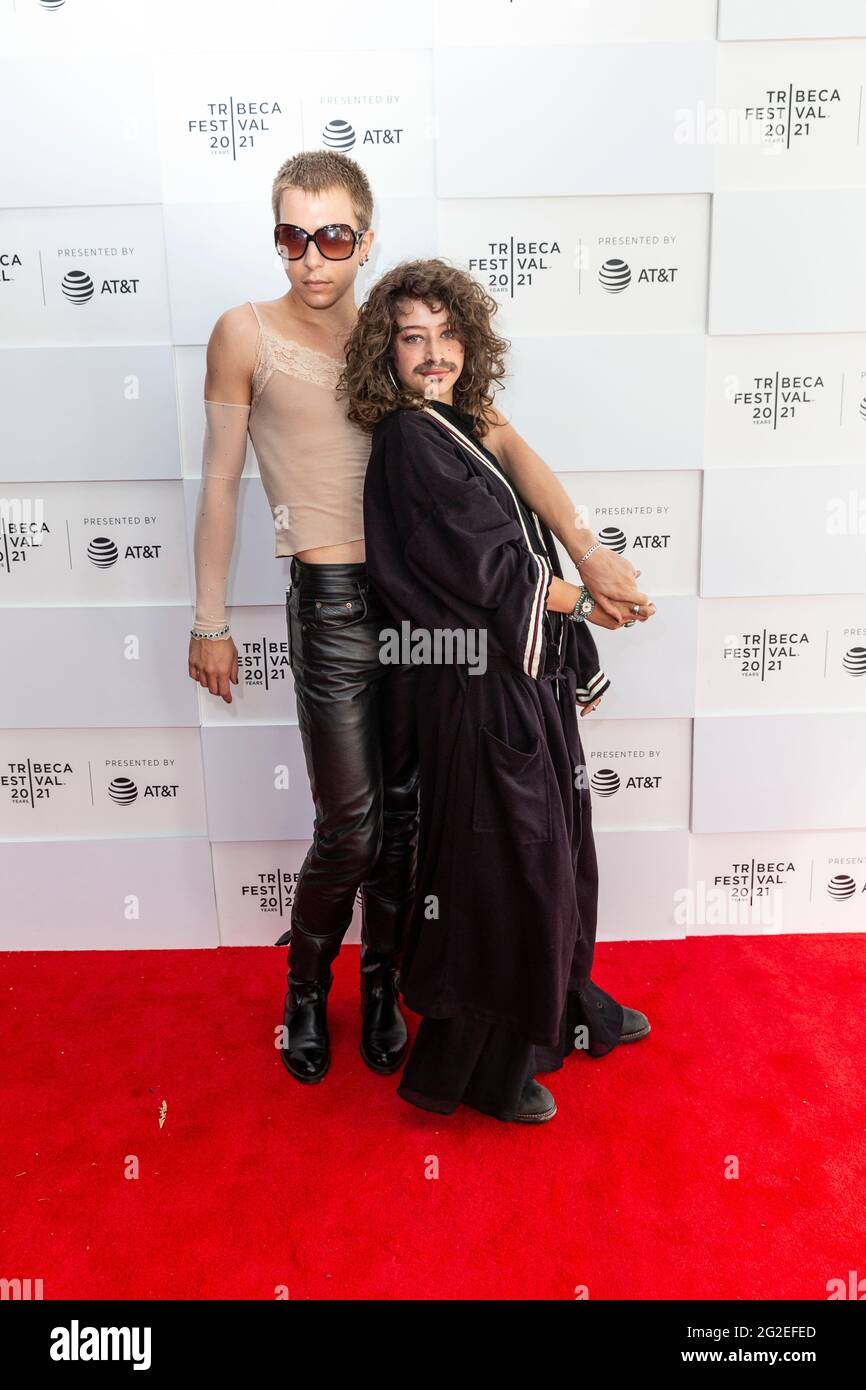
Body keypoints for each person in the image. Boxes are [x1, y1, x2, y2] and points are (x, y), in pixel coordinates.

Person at [341, 259, 655, 1123]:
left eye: (446, 334)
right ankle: (478, 1071)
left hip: (519, 676)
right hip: (479, 690)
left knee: (555, 853)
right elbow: (486, 569)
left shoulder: (458, 421)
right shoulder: (409, 441)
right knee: (501, 872)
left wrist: (588, 555)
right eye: (412, 339)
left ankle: (566, 1006)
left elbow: (522, 483)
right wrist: (590, 598)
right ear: (387, 354)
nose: (433, 352)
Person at [187, 150, 419, 1084]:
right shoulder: (242, 333)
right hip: (327, 607)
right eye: (292, 235)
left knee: (404, 819)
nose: (311, 258)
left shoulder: (399, 336)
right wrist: (209, 620)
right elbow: (219, 482)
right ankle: (304, 983)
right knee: (351, 824)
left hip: (416, 604)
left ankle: (381, 982)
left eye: (331, 237)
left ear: (366, 238)